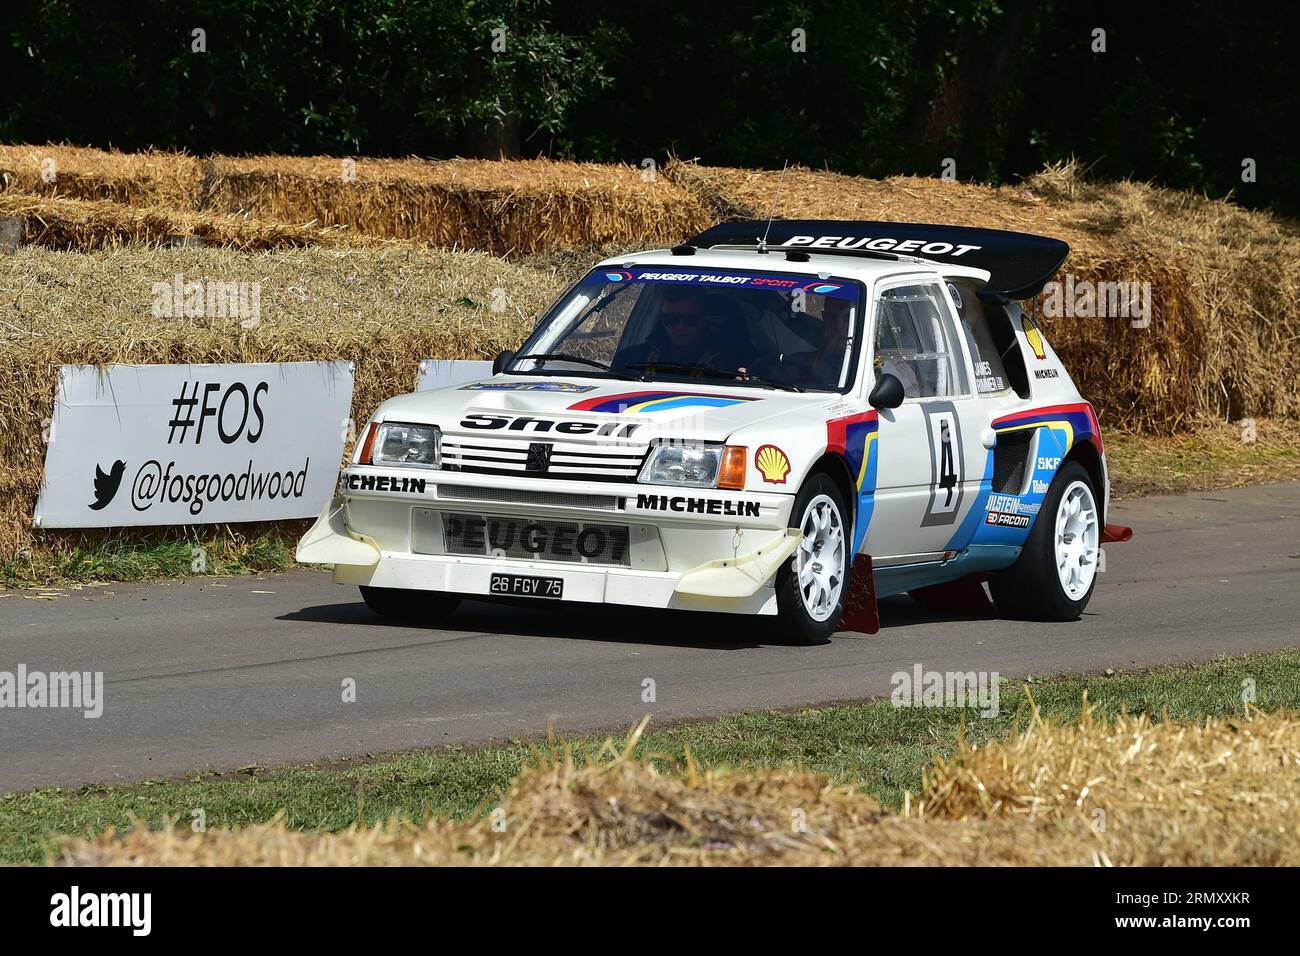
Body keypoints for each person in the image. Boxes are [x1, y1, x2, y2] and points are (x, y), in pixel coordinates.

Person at [616, 287, 728, 372]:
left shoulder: (729, 363)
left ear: (706, 319)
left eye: (690, 320)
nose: (680, 327)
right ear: (661, 319)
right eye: (671, 320)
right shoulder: (630, 358)